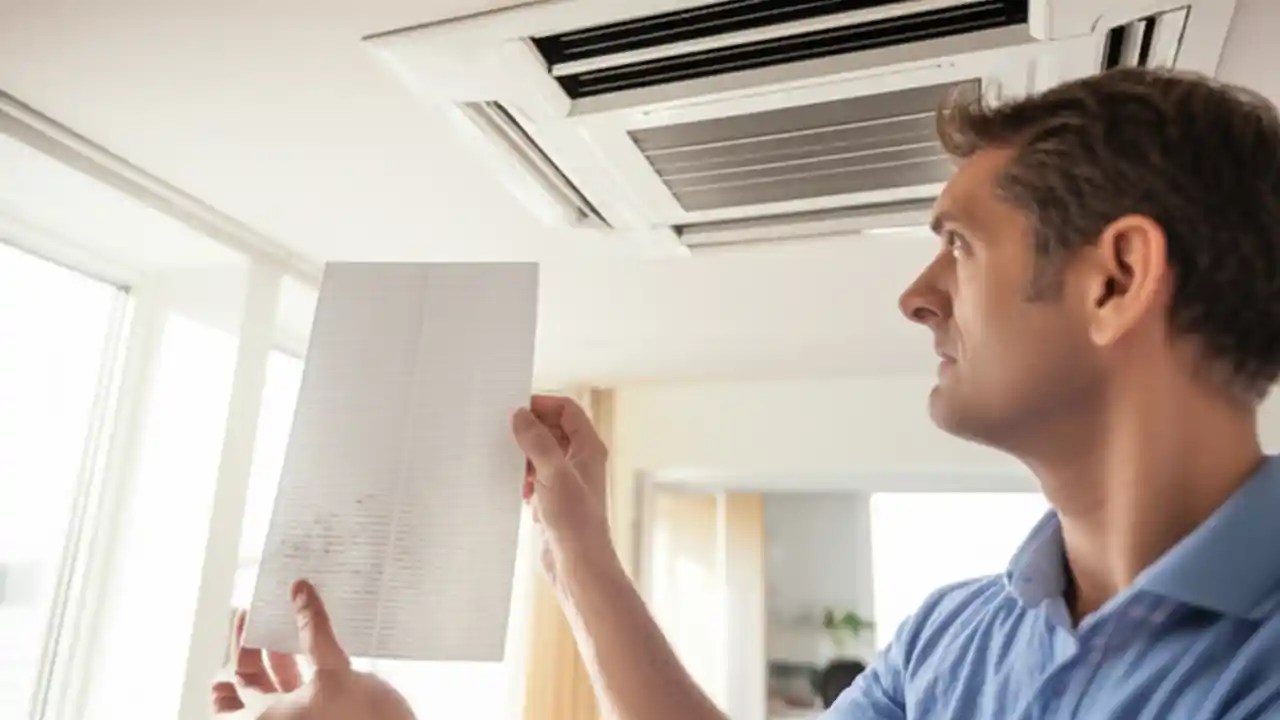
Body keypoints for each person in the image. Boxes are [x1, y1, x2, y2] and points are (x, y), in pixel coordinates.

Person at [213, 67, 1280, 718]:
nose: (913, 298)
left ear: (1115, 278)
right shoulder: (955, 638)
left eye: (956, 246)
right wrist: (573, 545)